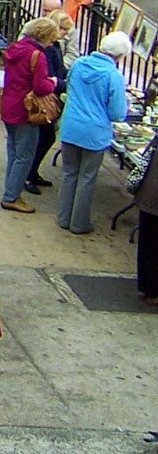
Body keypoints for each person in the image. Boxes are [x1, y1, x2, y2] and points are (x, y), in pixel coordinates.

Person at [56, 31, 130, 235]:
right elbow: (117, 113)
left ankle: (63, 217)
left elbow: (69, 86)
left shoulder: (79, 64)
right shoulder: (113, 76)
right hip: (94, 133)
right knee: (87, 178)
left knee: (69, 173)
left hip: (71, 126)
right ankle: (79, 223)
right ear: (120, 55)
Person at [0, 16, 63, 213]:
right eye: (51, 40)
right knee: (25, 155)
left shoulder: (15, 49)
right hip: (26, 110)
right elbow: (41, 87)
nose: (52, 44)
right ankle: (11, 196)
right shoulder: (37, 55)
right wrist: (53, 81)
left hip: (9, 104)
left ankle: (10, 190)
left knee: (13, 151)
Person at [28, 8, 76, 193]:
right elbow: (50, 75)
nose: (65, 34)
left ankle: (32, 172)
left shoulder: (53, 46)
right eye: (63, 30)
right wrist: (62, 83)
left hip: (47, 94)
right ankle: (29, 174)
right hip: (42, 99)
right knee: (45, 137)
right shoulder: (48, 49)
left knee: (44, 137)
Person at [132, 133, 158, 305]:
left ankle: (144, 285)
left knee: (146, 239)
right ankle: (154, 291)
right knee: (155, 245)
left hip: (148, 190)